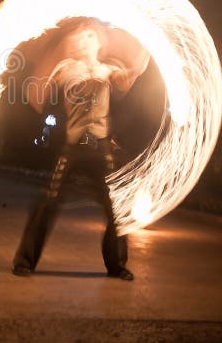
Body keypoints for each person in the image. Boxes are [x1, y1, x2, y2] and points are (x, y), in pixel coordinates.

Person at [11, 19, 148, 281]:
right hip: (73, 148)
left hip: (100, 148)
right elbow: (56, 86)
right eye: (78, 36)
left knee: (117, 208)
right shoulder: (68, 68)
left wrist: (137, 66)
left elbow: (122, 79)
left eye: (88, 36)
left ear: (98, 43)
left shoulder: (107, 69)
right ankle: (24, 261)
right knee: (48, 202)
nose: (81, 40)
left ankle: (117, 266)